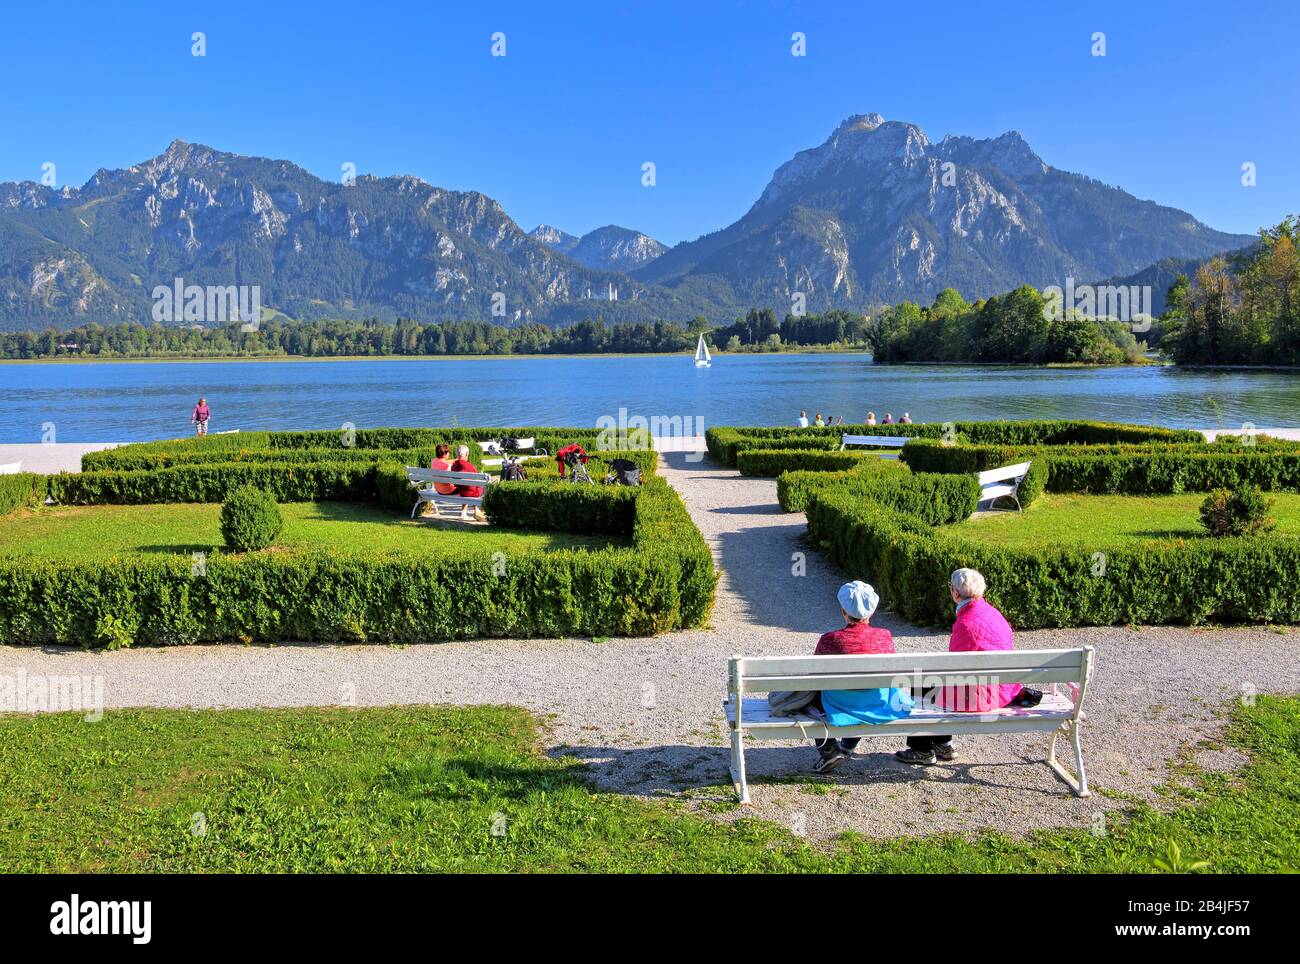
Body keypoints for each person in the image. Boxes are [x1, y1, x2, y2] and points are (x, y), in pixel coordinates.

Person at [895, 568, 1021, 766]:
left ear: (955, 593)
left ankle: (922, 750)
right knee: (933, 683)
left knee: (921, 685)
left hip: (984, 696)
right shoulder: (994, 613)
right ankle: (943, 744)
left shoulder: (965, 624)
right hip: (1004, 688)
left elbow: (952, 670)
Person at [808, 581, 913, 774]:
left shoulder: (829, 640)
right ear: (872, 612)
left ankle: (829, 750)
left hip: (839, 705)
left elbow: (815, 676)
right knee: (865, 688)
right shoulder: (885, 637)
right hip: (877, 702)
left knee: (813, 693)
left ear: (843, 610)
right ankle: (848, 744)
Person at [450, 444, 485, 520]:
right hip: (472, 492)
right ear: (466, 454)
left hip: (462, 490)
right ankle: (478, 511)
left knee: (467, 487)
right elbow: (476, 481)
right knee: (481, 488)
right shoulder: (470, 466)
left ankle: (464, 511)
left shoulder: (453, 465)